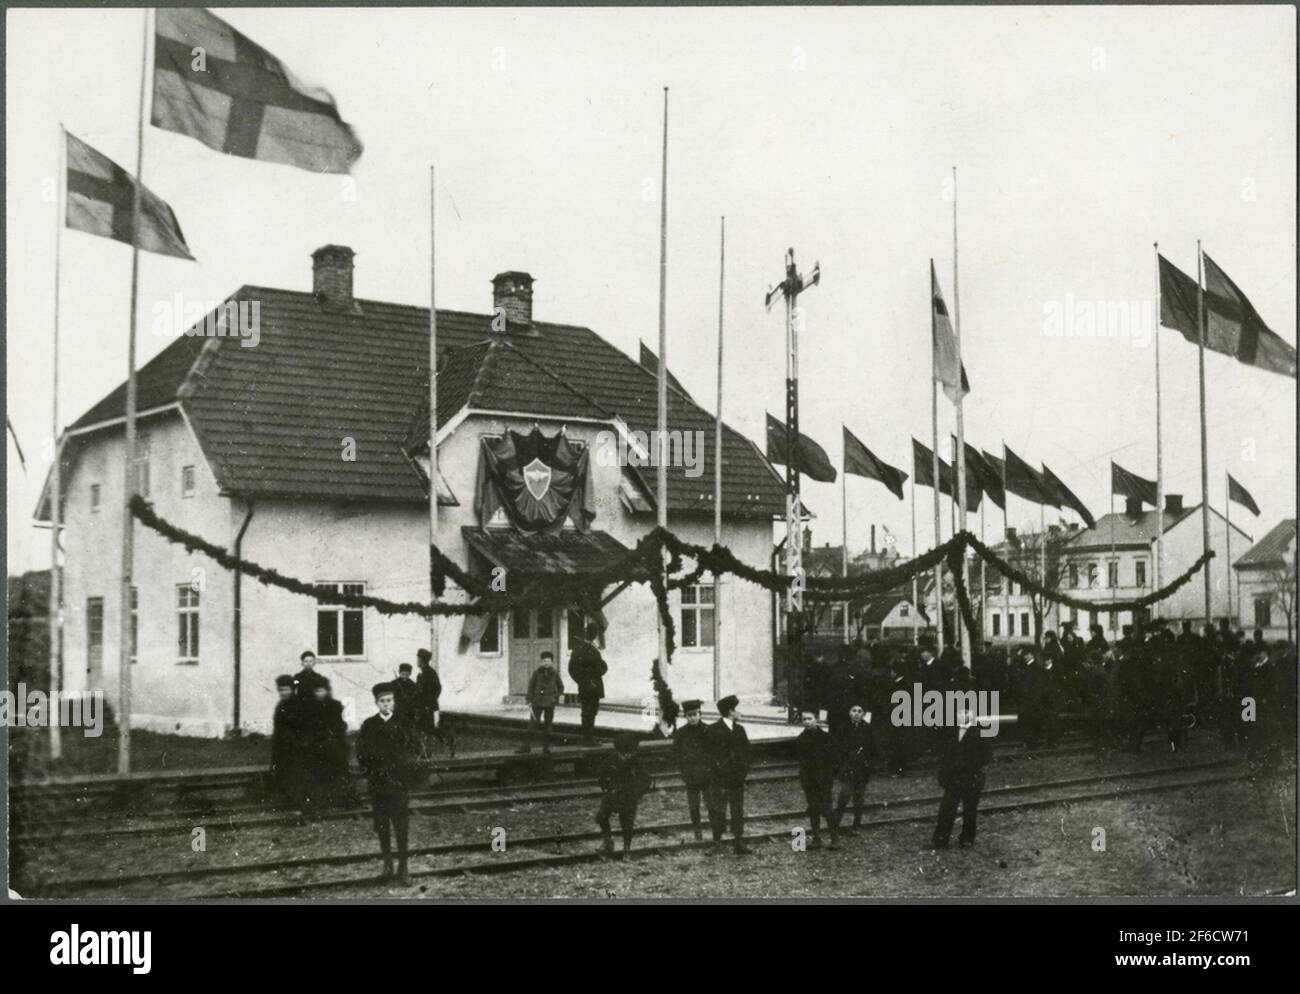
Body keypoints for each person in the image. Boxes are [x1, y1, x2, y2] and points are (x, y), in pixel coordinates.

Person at [356, 681, 421, 883]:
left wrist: (404, 774)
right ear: (376, 703)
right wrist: (372, 768)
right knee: (382, 826)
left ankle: (403, 868)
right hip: (379, 784)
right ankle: (387, 866)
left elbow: (413, 751)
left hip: (399, 785)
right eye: (382, 701)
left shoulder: (404, 724)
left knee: (401, 828)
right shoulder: (369, 725)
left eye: (389, 700)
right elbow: (361, 753)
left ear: (394, 702)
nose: (386, 704)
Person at [931, 707, 993, 849]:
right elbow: (945, 755)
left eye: (967, 713)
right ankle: (941, 840)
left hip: (971, 779)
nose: (963, 716)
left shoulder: (979, 734)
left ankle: (967, 839)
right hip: (954, 779)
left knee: (970, 811)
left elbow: (987, 756)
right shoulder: (951, 733)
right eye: (960, 713)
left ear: (971, 717)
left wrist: (972, 768)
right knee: (946, 809)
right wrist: (944, 775)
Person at [706, 694, 751, 855]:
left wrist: (742, 772)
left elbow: (747, 754)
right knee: (718, 811)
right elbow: (709, 756)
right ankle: (717, 843)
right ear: (730, 711)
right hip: (720, 780)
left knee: (737, 810)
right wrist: (717, 774)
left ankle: (738, 842)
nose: (738, 712)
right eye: (736, 709)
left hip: (737, 779)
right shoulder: (713, 730)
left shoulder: (739, 730)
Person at [595, 732, 652, 858]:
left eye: (628, 753)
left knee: (627, 824)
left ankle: (627, 849)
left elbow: (646, 781)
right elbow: (600, 773)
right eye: (622, 753)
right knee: (601, 817)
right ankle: (607, 841)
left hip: (629, 796)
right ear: (618, 751)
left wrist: (636, 794)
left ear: (633, 752)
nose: (624, 756)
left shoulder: (637, 762)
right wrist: (605, 787)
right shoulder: (612, 759)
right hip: (613, 794)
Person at [795, 711, 837, 849]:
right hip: (810, 782)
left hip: (824, 781)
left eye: (810, 719)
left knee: (828, 809)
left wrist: (829, 778)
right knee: (813, 810)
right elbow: (802, 763)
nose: (807, 721)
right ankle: (816, 838)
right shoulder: (801, 739)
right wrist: (805, 782)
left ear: (816, 720)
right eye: (804, 719)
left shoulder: (827, 738)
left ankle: (834, 838)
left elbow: (832, 760)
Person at [673, 700, 712, 839]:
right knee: (693, 806)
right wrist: (684, 772)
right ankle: (697, 830)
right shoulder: (681, 733)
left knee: (711, 804)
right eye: (689, 715)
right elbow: (676, 754)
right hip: (691, 776)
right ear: (685, 717)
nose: (692, 718)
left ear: (700, 714)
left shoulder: (709, 730)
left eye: (695, 714)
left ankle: (715, 829)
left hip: (708, 775)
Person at [833, 703, 875, 831]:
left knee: (859, 799)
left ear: (863, 714)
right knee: (844, 796)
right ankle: (835, 825)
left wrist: (867, 764)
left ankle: (856, 825)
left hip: (862, 770)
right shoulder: (843, 728)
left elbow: (873, 750)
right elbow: (837, 748)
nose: (856, 713)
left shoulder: (868, 729)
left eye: (860, 711)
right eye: (854, 710)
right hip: (847, 769)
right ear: (849, 713)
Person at [568, 623, 608, 745]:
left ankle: (589, 737)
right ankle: (587, 738)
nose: (593, 635)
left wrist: (601, 669)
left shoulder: (593, 648)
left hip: (595, 685)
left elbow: (601, 665)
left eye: (594, 633)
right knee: (587, 711)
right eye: (592, 633)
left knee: (593, 711)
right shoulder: (580, 648)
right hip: (587, 686)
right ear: (587, 633)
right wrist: (584, 681)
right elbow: (573, 669)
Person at [519, 651, 564, 754]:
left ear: (552, 662)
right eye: (544, 661)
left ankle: (546, 748)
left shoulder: (555, 673)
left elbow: (561, 687)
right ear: (541, 662)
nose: (547, 663)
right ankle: (526, 747)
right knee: (532, 725)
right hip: (537, 702)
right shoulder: (537, 673)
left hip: (549, 704)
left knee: (548, 726)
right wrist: (529, 699)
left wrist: (555, 697)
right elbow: (531, 687)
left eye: (549, 661)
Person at [414, 648, 455, 757]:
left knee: (430, 729)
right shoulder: (421, 674)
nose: (416, 660)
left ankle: (447, 739)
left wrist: (429, 702)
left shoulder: (430, 673)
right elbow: (419, 690)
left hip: (429, 707)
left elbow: (437, 688)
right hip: (423, 706)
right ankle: (426, 752)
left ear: (422, 660)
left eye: (418, 658)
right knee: (422, 728)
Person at [269, 674, 302, 807]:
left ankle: (296, 801)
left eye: (286, 690)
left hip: (296, 746)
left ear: (292, 690)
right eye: (281, 690)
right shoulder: (280, 705)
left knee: (295, 773)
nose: (283, 693)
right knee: (282, 772)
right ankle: (285, 799)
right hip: (282, 746)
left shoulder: (298, 705)